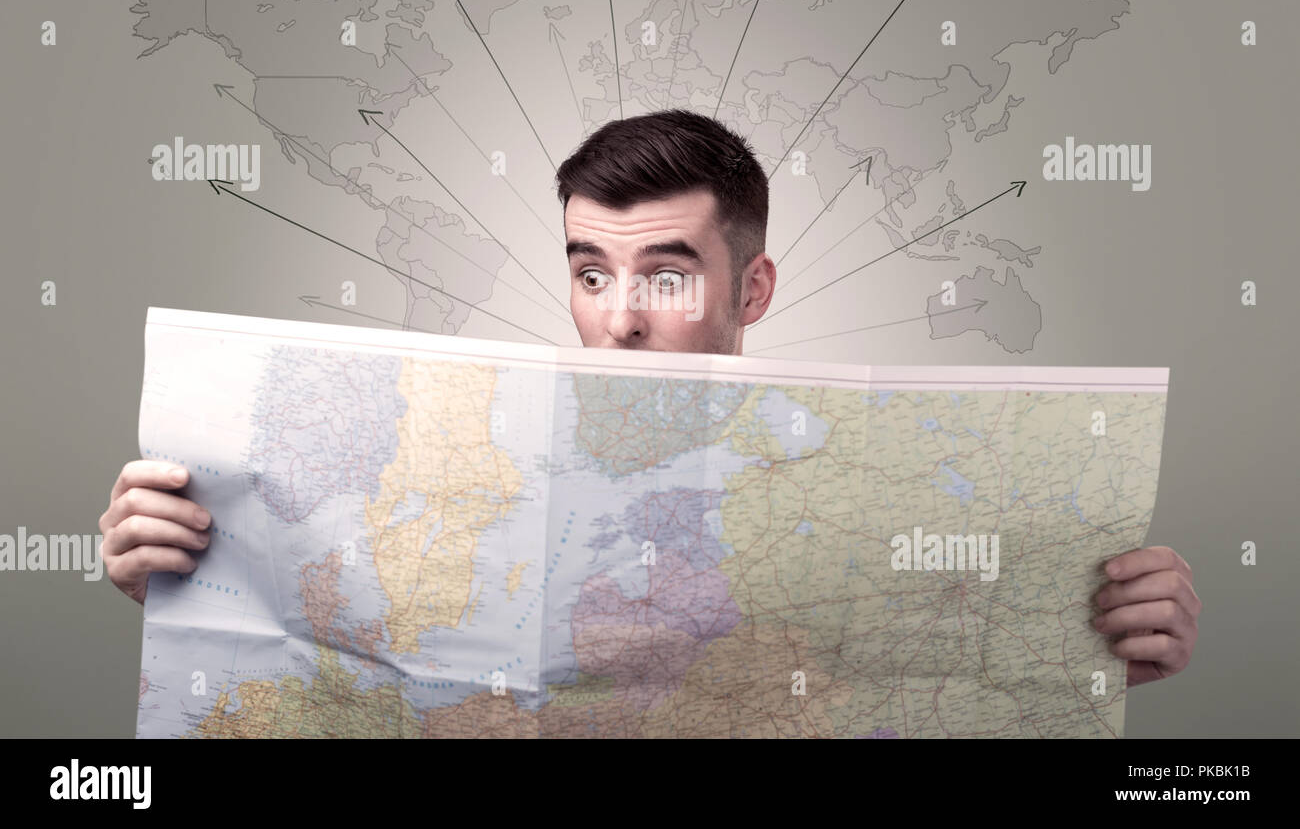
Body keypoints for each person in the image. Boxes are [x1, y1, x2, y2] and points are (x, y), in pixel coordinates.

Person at [100, 107, 1200, 688]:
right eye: (590, 272)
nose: (618, 316)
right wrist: (196, 581)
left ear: (751, 286)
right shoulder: (457, 468)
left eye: (665, 275)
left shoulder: (865, 486)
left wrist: (1089, 655)